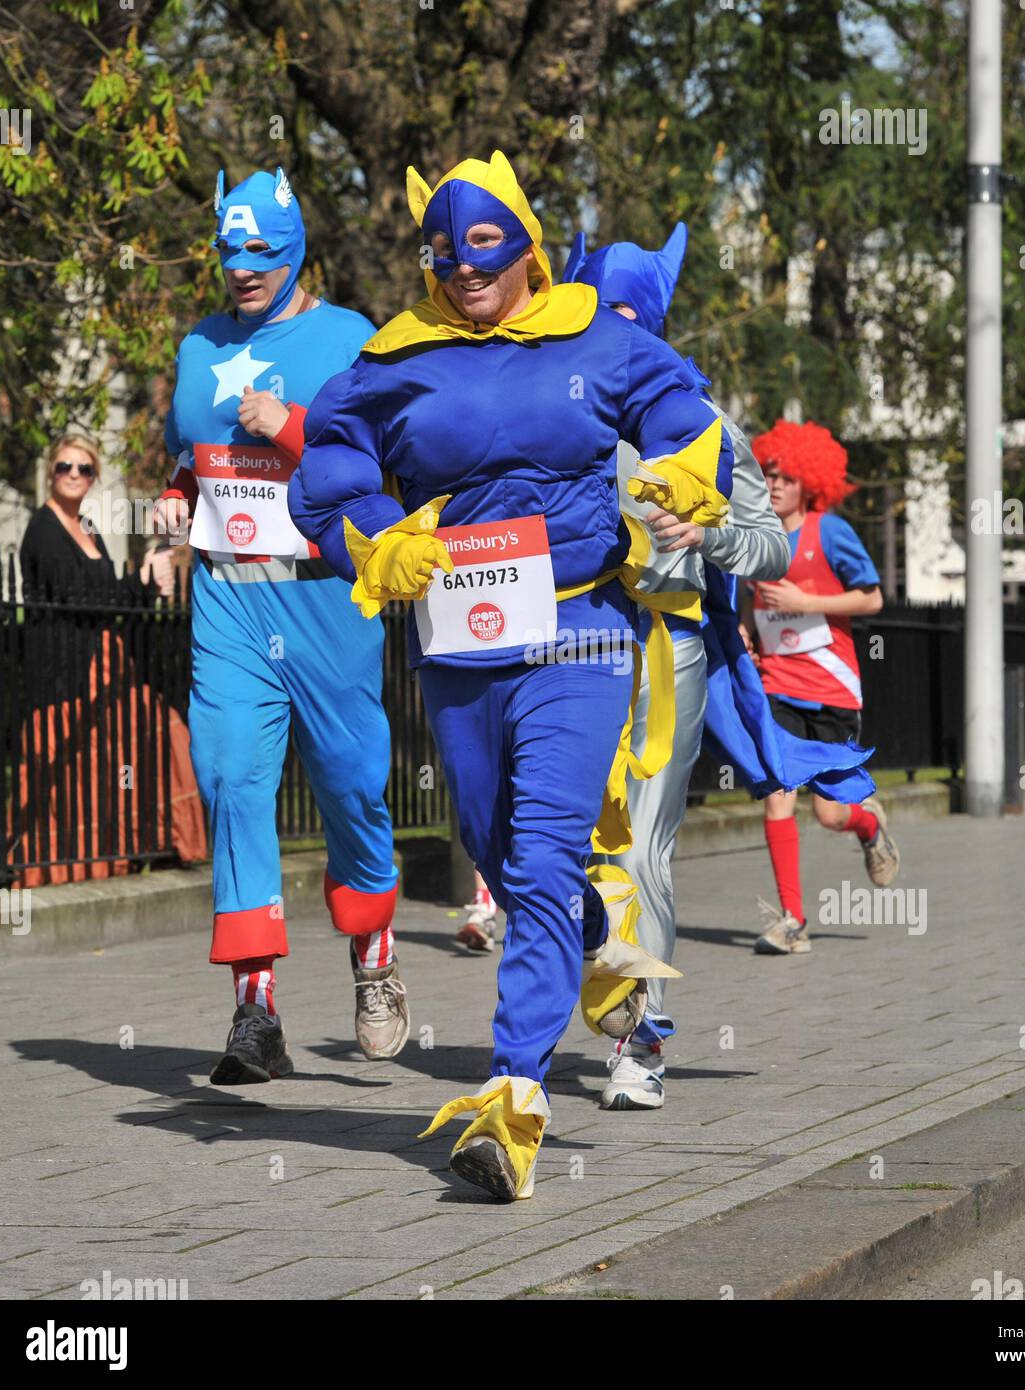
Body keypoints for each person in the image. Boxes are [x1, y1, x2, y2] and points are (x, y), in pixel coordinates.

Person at [290, 150, 734, 1200]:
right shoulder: (397, 358)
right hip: (457, 642)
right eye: (444, 255)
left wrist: (679, 476)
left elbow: (679, 406)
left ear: (528, 248)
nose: (465, 272)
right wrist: (369, 541)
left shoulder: (594, 335)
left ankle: (512, 1101)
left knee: (536, 853)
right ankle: (598, 959)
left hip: (579, 630)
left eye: (485, 250)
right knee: (495, 845)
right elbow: (331, 464)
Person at [565, 227, 873, 1110]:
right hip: (568, 649)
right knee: (562, 848)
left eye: (633, 317)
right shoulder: (558, 405)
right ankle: (597, 959)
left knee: (648, 849)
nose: (617, 332)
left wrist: (710, 535)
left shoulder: (702, 421)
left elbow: (772, 547)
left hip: (670, 649)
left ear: (656, 326)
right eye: (601, 314)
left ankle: (643, 1038)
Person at [155, 168, 403, 1087]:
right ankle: (254, 1008)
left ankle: (373, 956)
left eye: (259, 249)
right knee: (227, 777)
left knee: (355, 785)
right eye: (228, 248)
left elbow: (386, 466)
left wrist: (292, 425)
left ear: (294, 245)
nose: (241, 266)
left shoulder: (351, 340)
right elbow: (196, 461)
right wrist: (173, 506)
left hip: (325, 596)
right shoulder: (198, 344)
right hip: (228, 594)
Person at [14, 434, 205, 885]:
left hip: (108, 671)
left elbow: (109, 599)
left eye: (84, 468)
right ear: (50, 472)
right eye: (65, 467)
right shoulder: (42, 530)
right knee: (79, 770)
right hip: (66, 675)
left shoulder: (91, 528)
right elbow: (79, 599)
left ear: (94, 475)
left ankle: (158, 844)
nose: (74, 475)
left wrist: (146, 581)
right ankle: (62, 864)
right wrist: (138, 579)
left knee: (163, 734)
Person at [742, 419, 900, 956]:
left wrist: (808, 604)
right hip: (777, 687)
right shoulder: (756, 537)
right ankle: (792, 921)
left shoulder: (829, 532)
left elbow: (872, 598)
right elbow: (752, 602)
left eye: (786, 476)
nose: (776, 484)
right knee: (776, 799)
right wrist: (745, 628)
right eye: (769, 474)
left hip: (831, 689)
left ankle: (867, 826)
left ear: (811, 481)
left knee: (829, 812)